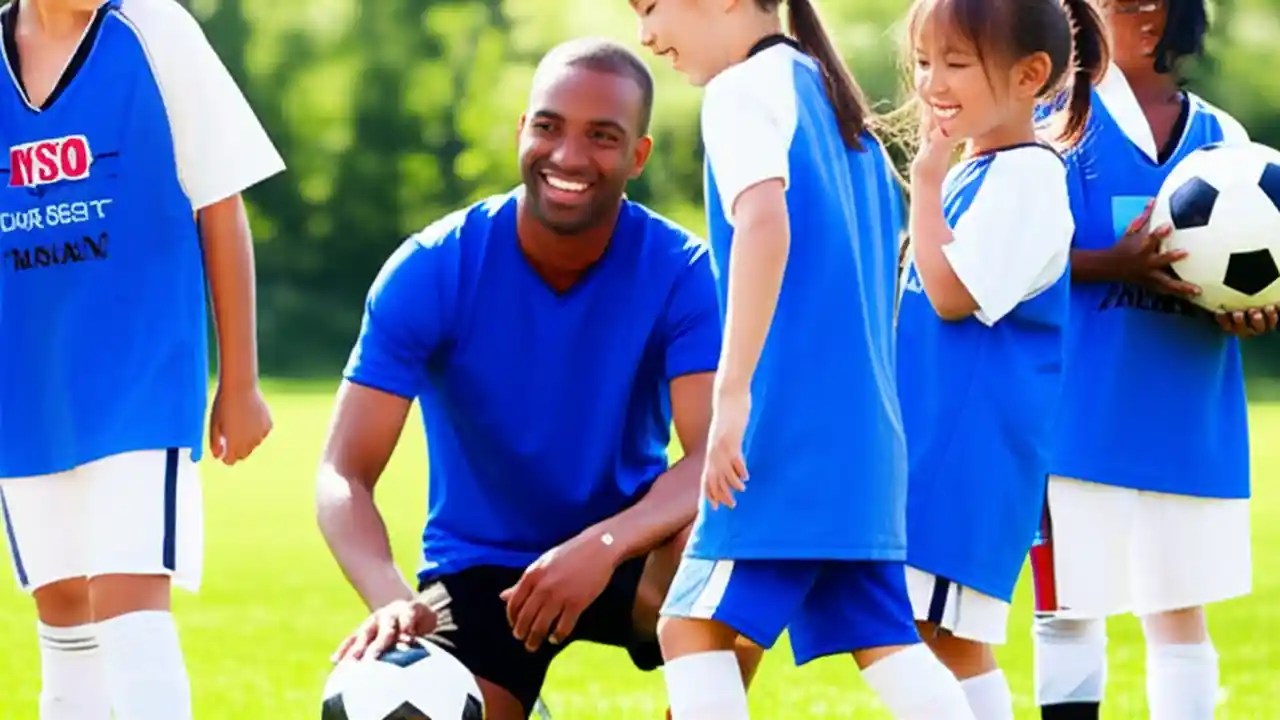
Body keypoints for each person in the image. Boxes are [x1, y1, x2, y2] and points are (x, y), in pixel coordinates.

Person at [320, 38, 762, 720]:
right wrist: (390, 597)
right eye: (549, 126)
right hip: (481, 570)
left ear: (638, 156)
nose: (569, 156)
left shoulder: (681, 271)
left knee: (739, 556)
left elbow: (713, 453)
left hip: (634, 549)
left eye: (602, 136)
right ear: (522, 130)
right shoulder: (434, 266)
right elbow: (343, 473)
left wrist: (603, 544)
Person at [630, 1, 976, 718]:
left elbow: (764, 223)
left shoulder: (740, 90)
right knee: (888, 644)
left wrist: (732, 395)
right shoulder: (834, 101)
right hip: (863, 448)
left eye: (650, 6)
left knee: (687, 628)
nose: (646, 34)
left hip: (788, 439)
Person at [0, 0, 283, 718]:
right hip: (25, 390)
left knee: (130, 606)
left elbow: (220, 206)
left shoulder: (156, 30)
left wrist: (240, 382)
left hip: (139, 378)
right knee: (63, 613)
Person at [1030, 0, 1277, 717]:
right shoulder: (1048, 127)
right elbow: (1009, 260)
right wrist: (1114, 263)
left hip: (1188, 416)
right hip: (1076, 418)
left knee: (1179, 615)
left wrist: (1249, 311)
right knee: (1068, 612)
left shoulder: (1225, 141)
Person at [894, 0, 1106, 717]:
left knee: (940, 637)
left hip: (965, 457)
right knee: (926, 633)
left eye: (955, 63)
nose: (932, 82)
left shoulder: (1027, 179)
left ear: (1029, 75)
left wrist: (925, 186)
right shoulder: (980, 171)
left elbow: (953, 296)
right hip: (932, 447)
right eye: (924, 62)